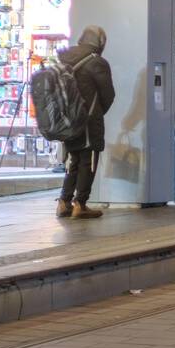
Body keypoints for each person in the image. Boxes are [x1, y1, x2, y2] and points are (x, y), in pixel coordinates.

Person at [55, 25, 115, 219]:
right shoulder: (97, 63)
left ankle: (64, 202)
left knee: (73, 159)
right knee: (87, 161)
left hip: (68, 120)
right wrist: (97, 112)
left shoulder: (64, 58)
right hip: (89, 119)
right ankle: (80, 203)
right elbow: (108, 95)